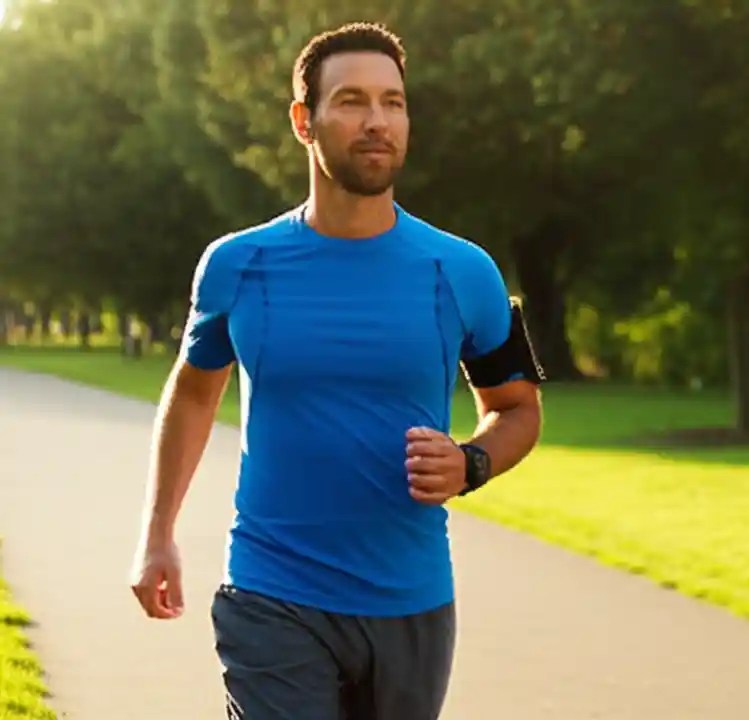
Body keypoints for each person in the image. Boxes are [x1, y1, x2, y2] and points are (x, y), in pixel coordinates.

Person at [128, 21, 545, 720]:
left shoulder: (464, 271)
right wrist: (157, 532)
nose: (377, 121)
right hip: (271, 591)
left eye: (394, 102)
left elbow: (520, 409)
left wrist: (470, 463)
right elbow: (195, 394)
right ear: (304, 120)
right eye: (352, 101)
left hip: (410, 601)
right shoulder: (237, 264)